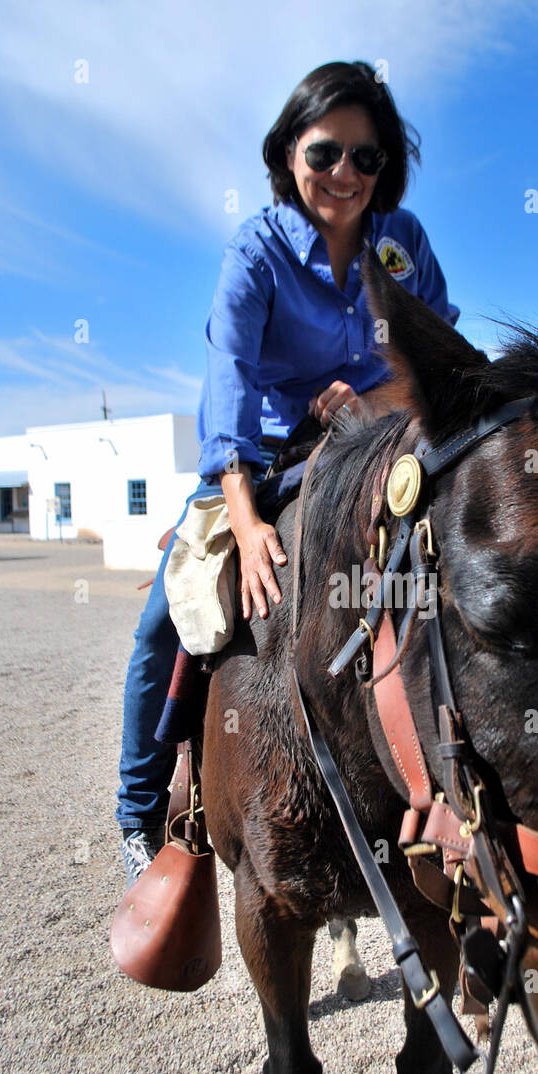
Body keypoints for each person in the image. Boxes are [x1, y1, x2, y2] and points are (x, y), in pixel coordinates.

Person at [116, 59, 459, 888]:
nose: (344, 173)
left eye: (365, 158)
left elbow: (440, 356)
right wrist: (240, 511)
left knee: (473, 571)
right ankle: (136, 813)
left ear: (386, 168)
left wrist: (373, 392)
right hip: (264, 464)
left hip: (378, 450)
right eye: (324, 153)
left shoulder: (401, 243)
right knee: (170, 615)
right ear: (289, 156)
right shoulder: (257, 250)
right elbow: (227, 373)